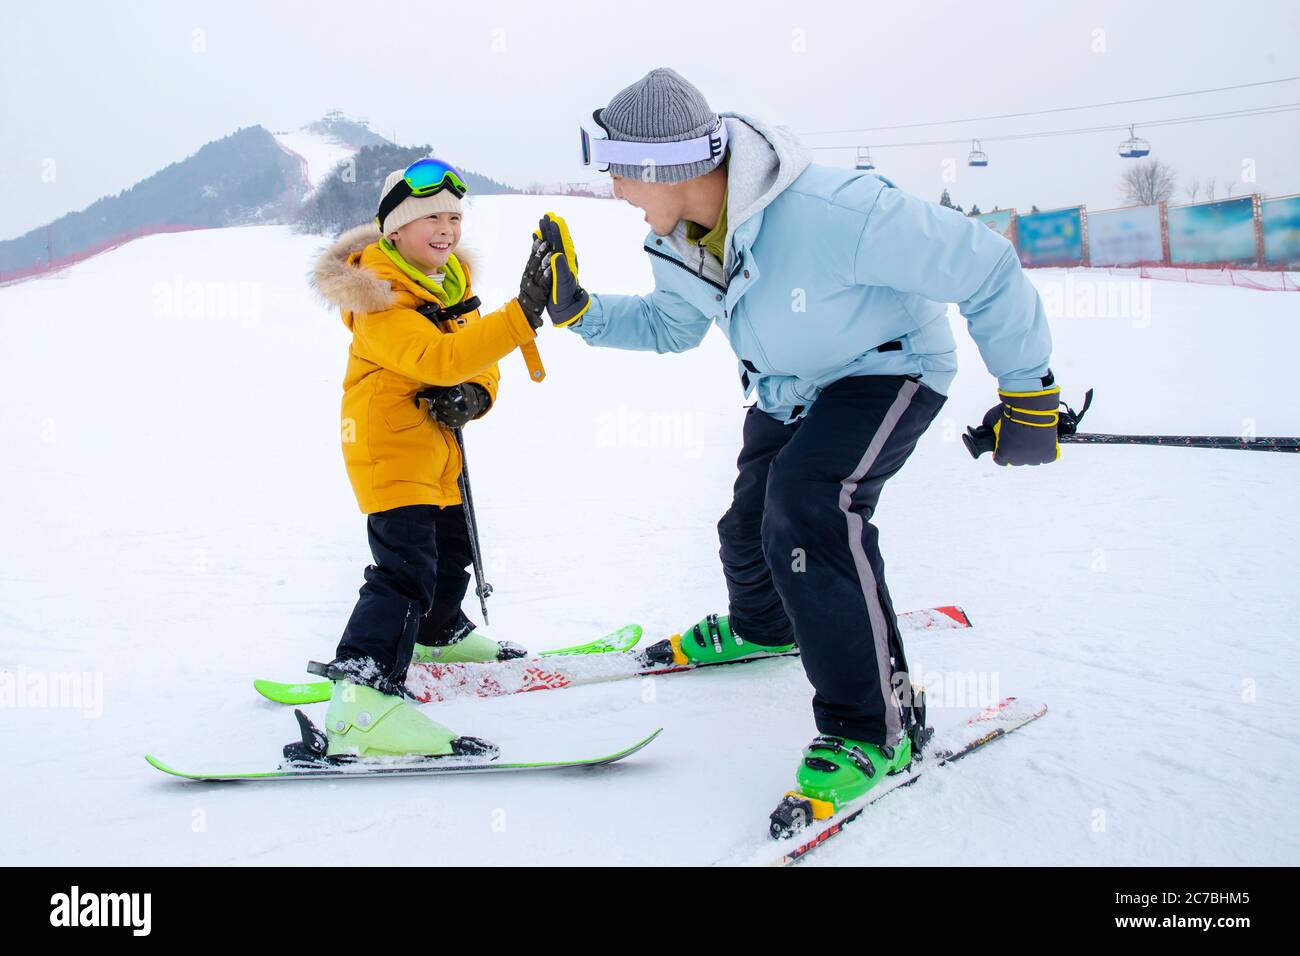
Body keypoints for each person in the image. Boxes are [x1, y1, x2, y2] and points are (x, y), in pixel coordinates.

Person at [537, 68, 1059, 810]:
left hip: (889, 369)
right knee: (748, 527)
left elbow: (985, 264)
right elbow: (670, 327)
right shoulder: (680, 243)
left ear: (664, 168)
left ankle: (876, 726)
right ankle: (765, 625)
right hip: (787, 388)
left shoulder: (833, 211)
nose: (614, 190)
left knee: (809, 506)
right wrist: (579, 310)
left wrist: (1028, 391)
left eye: (618, 171)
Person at [307, 158, 552, 757]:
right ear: (393, 231)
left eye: (452, 217)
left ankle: (439, 632)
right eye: (429, 219)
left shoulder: (449, 286)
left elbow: (471, 358)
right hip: (388, 447)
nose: (445, 229)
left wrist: (476, 394)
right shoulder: (378, 301)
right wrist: (520, 314)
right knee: (403, 569)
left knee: (452, 546)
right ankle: (361, 699)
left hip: (434, 445)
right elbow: (441, 359)